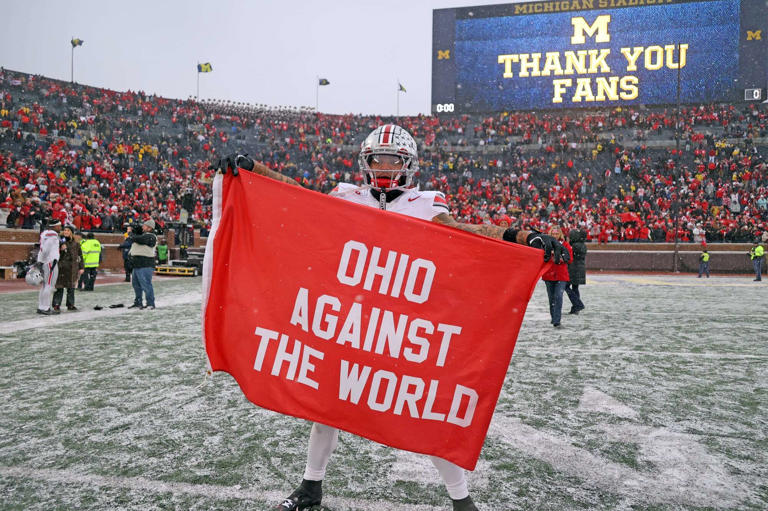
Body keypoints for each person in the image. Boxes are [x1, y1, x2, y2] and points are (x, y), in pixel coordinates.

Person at [216, 124, 569, 511]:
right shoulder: (345, 196)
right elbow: (297, 199)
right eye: (377, 160)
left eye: (392, 160)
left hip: (400, 328)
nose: (384, 167)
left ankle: (462, 501)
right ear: (365, 163)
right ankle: (311, 486)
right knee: (324, 407)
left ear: (409, 164)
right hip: (349, 323)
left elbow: (467, 236)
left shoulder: (425, 204)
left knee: (425, 412)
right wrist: (255, 171)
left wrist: (519, 238)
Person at [541, 226, 572, 328]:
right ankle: (553, 317)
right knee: (551, 299)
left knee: (558, 297)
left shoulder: (565, 245)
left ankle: (556, 320)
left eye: (556, 234)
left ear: (560, 234)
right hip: (548, 275)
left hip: (561, 275)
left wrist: (560, 257)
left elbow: (570, 259)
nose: (554, 236)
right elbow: (541, 258)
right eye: (553, 234)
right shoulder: (545, 245)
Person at [52, 225, 84, 311]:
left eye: (68, 230)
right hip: (61, 267)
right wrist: (60, 249)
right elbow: (54, 254)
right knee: (59, 287)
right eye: (65, 230)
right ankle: (56, 304)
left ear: (72, 233)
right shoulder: (59, 241)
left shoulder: (76, 243)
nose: (66, 232)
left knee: (71, 287)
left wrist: (81, 267)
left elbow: (80, 256)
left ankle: (70, 304)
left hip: (72, 268)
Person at [128, 219, 158, 309]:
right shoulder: (143, 235)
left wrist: (130, 233)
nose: (142, 227)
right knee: (136, 285)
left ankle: (150, 303)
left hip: (145, 264)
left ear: (149, 228)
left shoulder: (151, 236)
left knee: (146, 285)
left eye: (144, 226)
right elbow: (137, 237)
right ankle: (138, 302)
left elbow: (138, 239)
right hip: (137, 264)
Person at [36, 219, 61, 315]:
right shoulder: (52, 235)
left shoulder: (45, 234)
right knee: (49, 285)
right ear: (54, 226)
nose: (60, 227)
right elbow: (46, 250)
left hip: (46, 262)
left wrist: (40, 261)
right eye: (59, 225)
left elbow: (43, 249)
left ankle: (41, 306)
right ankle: (45, 307)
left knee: (44, 286)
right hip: (50, 262)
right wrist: (45, 260)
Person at [565, 228, 587, 314]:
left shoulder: (574, 246)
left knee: (566, 286)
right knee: (575, 288)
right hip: (580, 268)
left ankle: (577, 304)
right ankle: (575, 308)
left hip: (573, 268)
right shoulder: (582, 245)